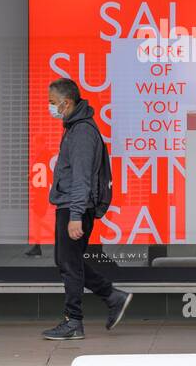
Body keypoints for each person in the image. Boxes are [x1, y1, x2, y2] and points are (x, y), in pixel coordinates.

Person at [41, 77, 132, 340]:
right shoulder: (75, 127)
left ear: (66, 103)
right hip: (71, 205)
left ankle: (74, 322)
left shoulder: (81, 132)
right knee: (67, 260)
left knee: (69, 264)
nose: (50, 107)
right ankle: (113, 297)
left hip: (74, 206)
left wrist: (76, 216)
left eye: (52, 103)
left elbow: (82, 178)